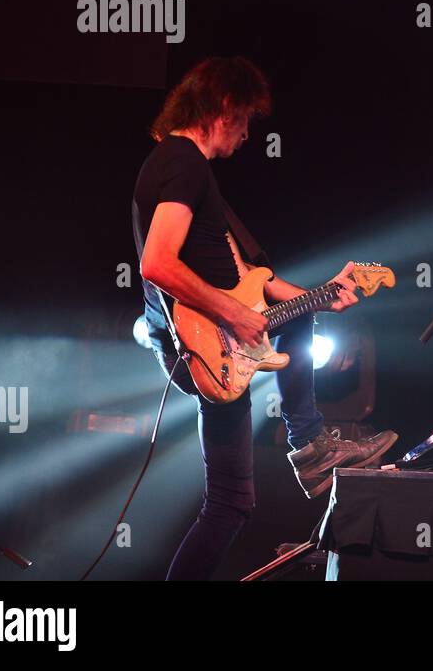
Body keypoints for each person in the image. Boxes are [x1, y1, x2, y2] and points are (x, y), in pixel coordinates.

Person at [131, 56, 397, 580]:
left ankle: (312, 445)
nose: (249, 133)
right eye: (247, 118)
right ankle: (312, 446)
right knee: (229, 503)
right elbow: (157, 263)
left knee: (230, 504)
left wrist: (325, 293)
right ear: (224, 107)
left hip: (215, 344)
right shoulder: (183, 161)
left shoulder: (187, 168)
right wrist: (234, 312)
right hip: (207, 341)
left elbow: (251, 276)